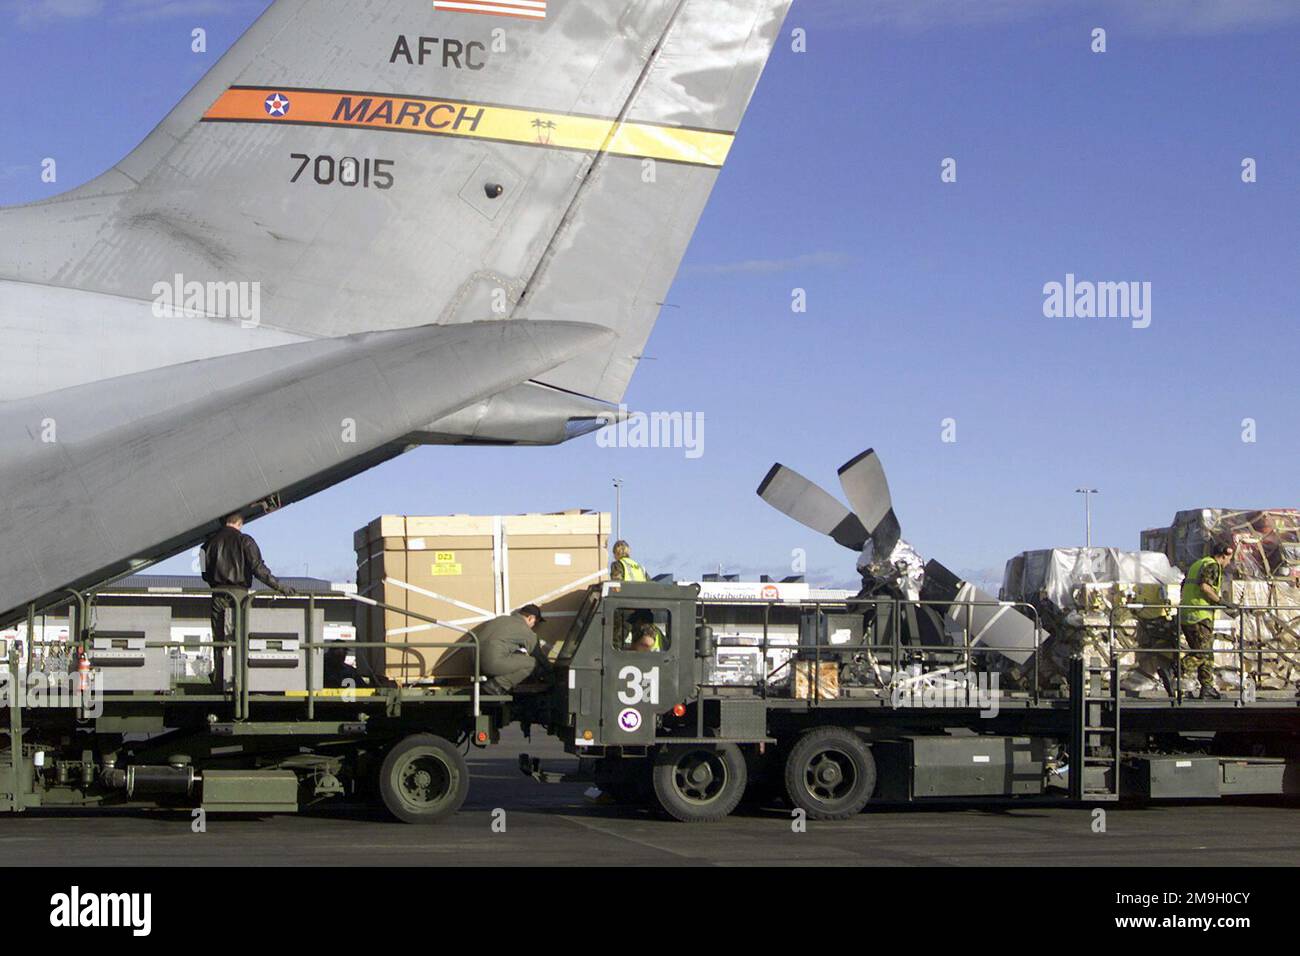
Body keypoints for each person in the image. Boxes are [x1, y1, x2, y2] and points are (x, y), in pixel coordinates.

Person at [201, 512, 295, 683]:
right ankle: (241, 677)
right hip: (240, 594)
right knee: (242, 636)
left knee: (219, 638)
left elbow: (204, 573)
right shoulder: (246, 540)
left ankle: (219, 676)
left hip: (218, 594)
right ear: (240, 523)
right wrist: (280, 587)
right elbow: (259, 569)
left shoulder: (207, 544)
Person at [1177, 538, 1235, 700]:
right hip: (1199, 616)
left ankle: (1207, 687)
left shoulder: (1198, 564)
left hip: (1188, 614)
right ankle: (1177, 669)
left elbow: (1185, 586)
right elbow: (1204, 586)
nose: (1229, 562)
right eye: (1229, 558)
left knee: (1207, 654)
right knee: (1202, 653)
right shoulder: (1213, 565)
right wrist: (1221, 602)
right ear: (1225, 554)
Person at [476, 604, 551, 696]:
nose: (534, 626)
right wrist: (552, 672)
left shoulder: (500, 619)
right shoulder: (525, 630)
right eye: (535, 622)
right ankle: (496, 686)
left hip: (474, 663)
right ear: (531, 618)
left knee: (517, 655)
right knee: (532, 663)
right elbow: (538, 655)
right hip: (491, 664)